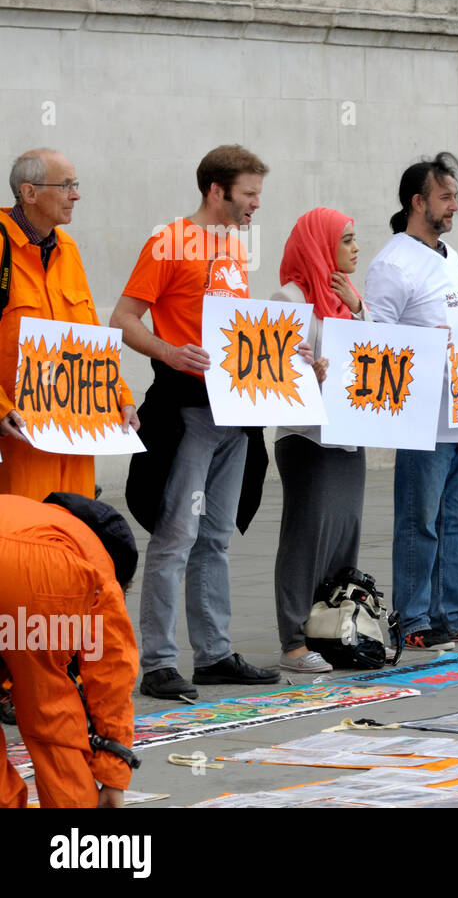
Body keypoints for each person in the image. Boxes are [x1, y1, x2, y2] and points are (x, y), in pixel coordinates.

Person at [112, 144, 279, 700]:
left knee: (215, 537)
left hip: (237, 414)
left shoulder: (232, 248)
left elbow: (243, 333)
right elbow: (124, 319)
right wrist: (167, 351)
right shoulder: (169, 242)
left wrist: (292, 358)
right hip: (187, 411)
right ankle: (159, 661)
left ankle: (213, 654)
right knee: (175, 536)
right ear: (217, 190)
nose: (257, 204)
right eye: (249, 193)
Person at [365, 153, 458, 650]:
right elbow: (375, 342)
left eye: (455, 196)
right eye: (445, 196)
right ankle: (413, 617)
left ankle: (451, 611)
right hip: (424, 417)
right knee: (418, 521)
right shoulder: (393, 262)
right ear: (417, 201)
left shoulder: (450, 257)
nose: (454, 206)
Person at [0, 149, 138, 500]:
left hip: (75, 434)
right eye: (65, 186)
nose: (75, 195)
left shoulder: (68, 249)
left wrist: (121, 397)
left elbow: (91, 340)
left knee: (74, 533)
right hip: (19, 439)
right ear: (29, 193)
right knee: (22, 543)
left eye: (74, 185)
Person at [270, 208, 371, 673]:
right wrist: (308, 372)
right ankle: (293, 642)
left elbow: (372, 361)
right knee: (307, 537)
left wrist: (357, 309)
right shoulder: (288, 298)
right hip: (307, 438)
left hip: (348, 436)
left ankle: (329, 627)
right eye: (346, 239)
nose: (354, 248)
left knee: (343, 538)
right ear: (320, 244)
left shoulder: (347, 298)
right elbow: (278, 374)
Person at [0, 493, 137, 808]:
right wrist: (114, 776)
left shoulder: (32, 511)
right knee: (50, 711)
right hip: (37, 573)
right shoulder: (94, 558)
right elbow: (112, 671)